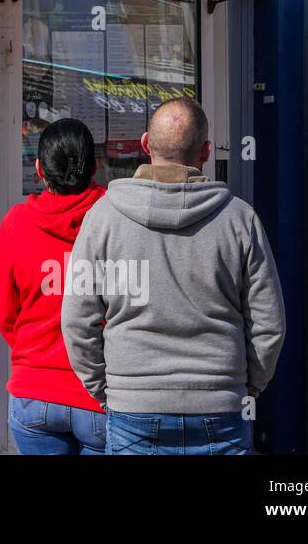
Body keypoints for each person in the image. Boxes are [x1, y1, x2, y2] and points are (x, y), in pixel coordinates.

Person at [61, 98, 285, 455]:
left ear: (146, 143)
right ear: (207, 151)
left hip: (133, 408)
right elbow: (268, 324)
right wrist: (243, 387)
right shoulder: (240, 221)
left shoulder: (102, 219)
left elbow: (76, 321)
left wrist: (107, 390)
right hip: (220, 407)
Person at [0, 118, 108, 454]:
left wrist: (35, 350)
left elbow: (4, 314)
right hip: (100, 393)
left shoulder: (16, 223)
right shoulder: (113, 219)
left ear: (39, 169)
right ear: (96, 167)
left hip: (34, 391)